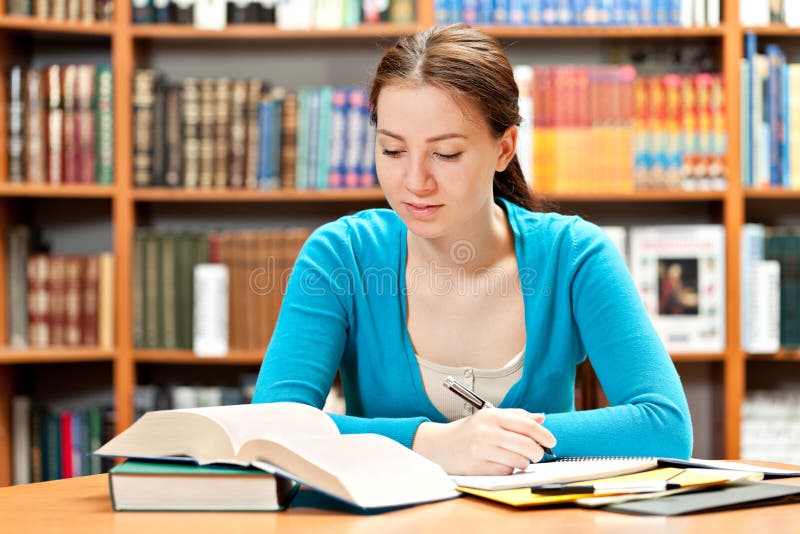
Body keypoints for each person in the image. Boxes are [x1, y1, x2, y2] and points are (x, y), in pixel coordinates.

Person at [253, 24, 693, 476]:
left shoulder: (574, 256)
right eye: (392, 150)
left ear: (503, 149)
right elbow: (271, 429)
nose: (415, 182)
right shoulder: (341, 256)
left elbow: (665, 425)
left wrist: (497, 443)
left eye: (445, 154)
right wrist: (433, 443)